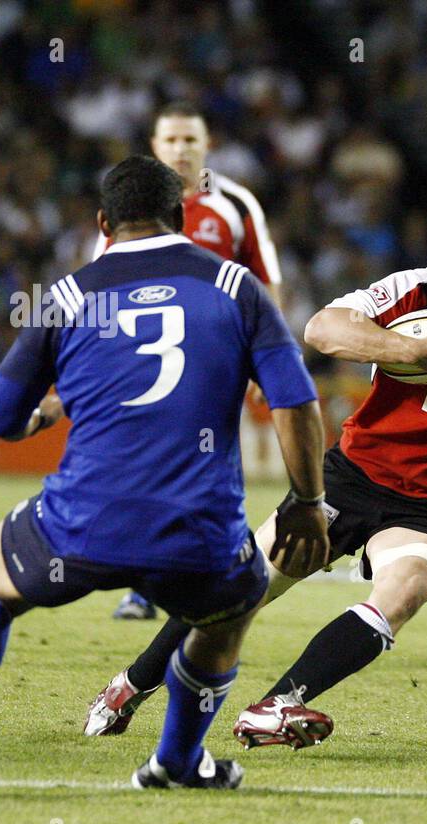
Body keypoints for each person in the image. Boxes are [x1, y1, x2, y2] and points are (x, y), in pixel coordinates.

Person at [83, 174, 427, 748]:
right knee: (236, 590)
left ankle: (277, 706)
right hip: (353, 476)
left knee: (404, 591)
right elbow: (322, 328)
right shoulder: (423, 290)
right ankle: (133, 684)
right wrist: (410, 350)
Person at [0, 156, 328, 796]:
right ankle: (176, 760)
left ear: (102, 223)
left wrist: (49, 412)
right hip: (196, 532)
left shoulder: (65, 296)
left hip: (81, 522)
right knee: (229, 610)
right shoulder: (238, 289)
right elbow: (295, 403)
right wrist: (307, 500)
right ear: (180, 217)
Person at [104, 101, 285, 621]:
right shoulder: (130, 203)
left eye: (190, 140)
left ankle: (201, 576)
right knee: (145, 462)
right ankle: (147, 582)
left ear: (207, 146)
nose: (181, 150)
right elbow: (103, 279)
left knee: (206, 464)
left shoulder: (235, 204)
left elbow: (265, 282)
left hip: (216, 358)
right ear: (155, 146)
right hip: (146, 356)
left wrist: (265, 356)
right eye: (171, 141)